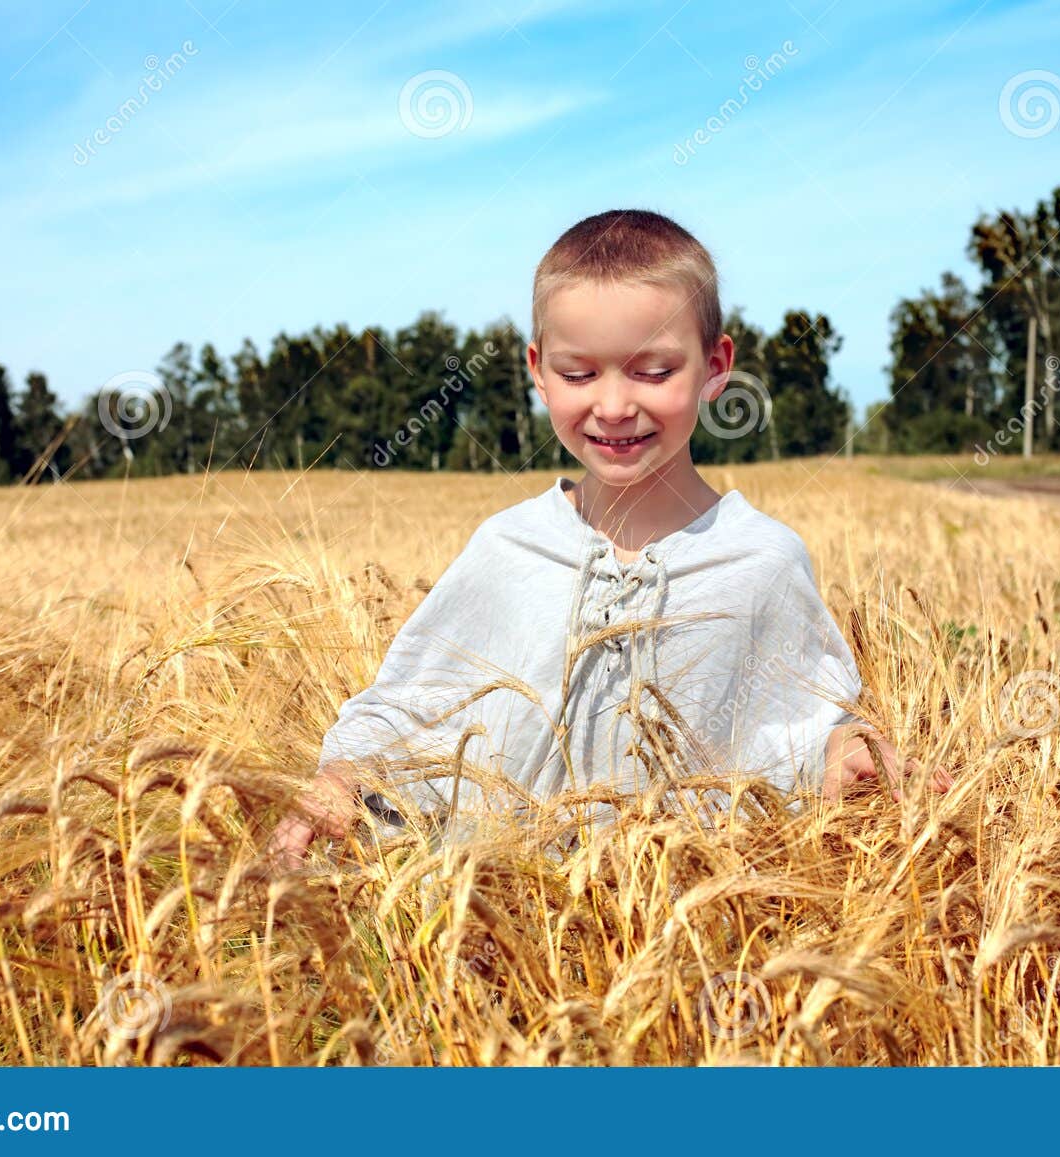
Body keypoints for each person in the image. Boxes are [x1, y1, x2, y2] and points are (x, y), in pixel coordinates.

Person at [268, 209, 951, 869]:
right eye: (579, 373)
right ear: (536, 370)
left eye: (654, 370)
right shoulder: (507, 548)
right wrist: (340, 778)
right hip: (494, 924)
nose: (615, 405)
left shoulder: (762, 560)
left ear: (716, 365)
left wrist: (848, 751)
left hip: (684, 932)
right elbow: (414, 705)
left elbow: (799, 725)